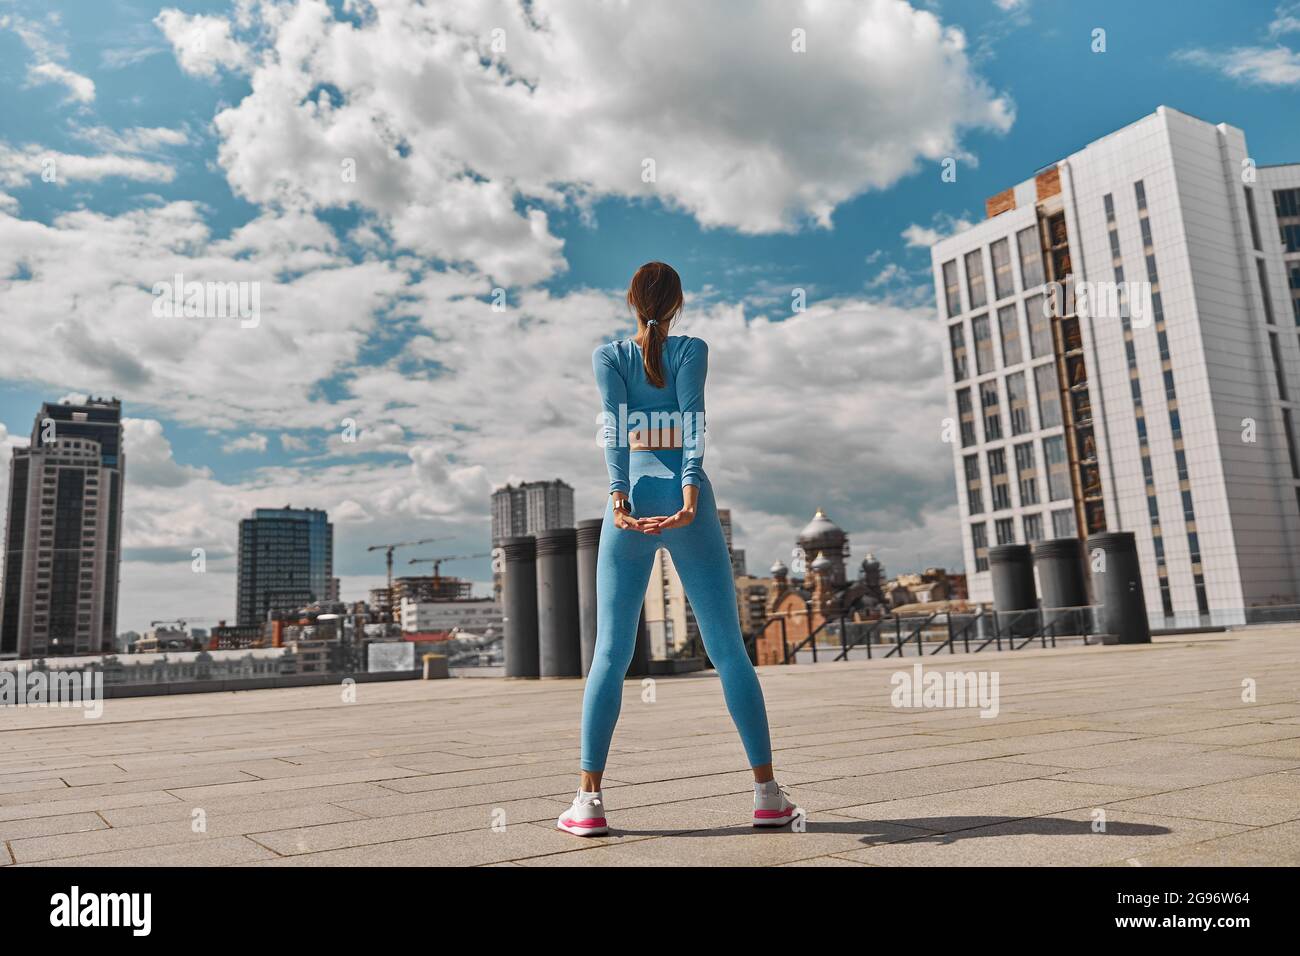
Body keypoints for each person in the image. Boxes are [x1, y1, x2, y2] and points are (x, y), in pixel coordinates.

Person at [556, 261, 800, 837]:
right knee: (728, 653)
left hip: (633, 503)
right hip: (687, 502)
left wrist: (618, 498)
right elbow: (694, 422)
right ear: (679, 303)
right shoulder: (693, 350)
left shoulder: (608, 356)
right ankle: (767, 795)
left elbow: (614, 429)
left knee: (609, 657)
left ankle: (588, 803)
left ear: (630, 300)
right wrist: (690, 496)